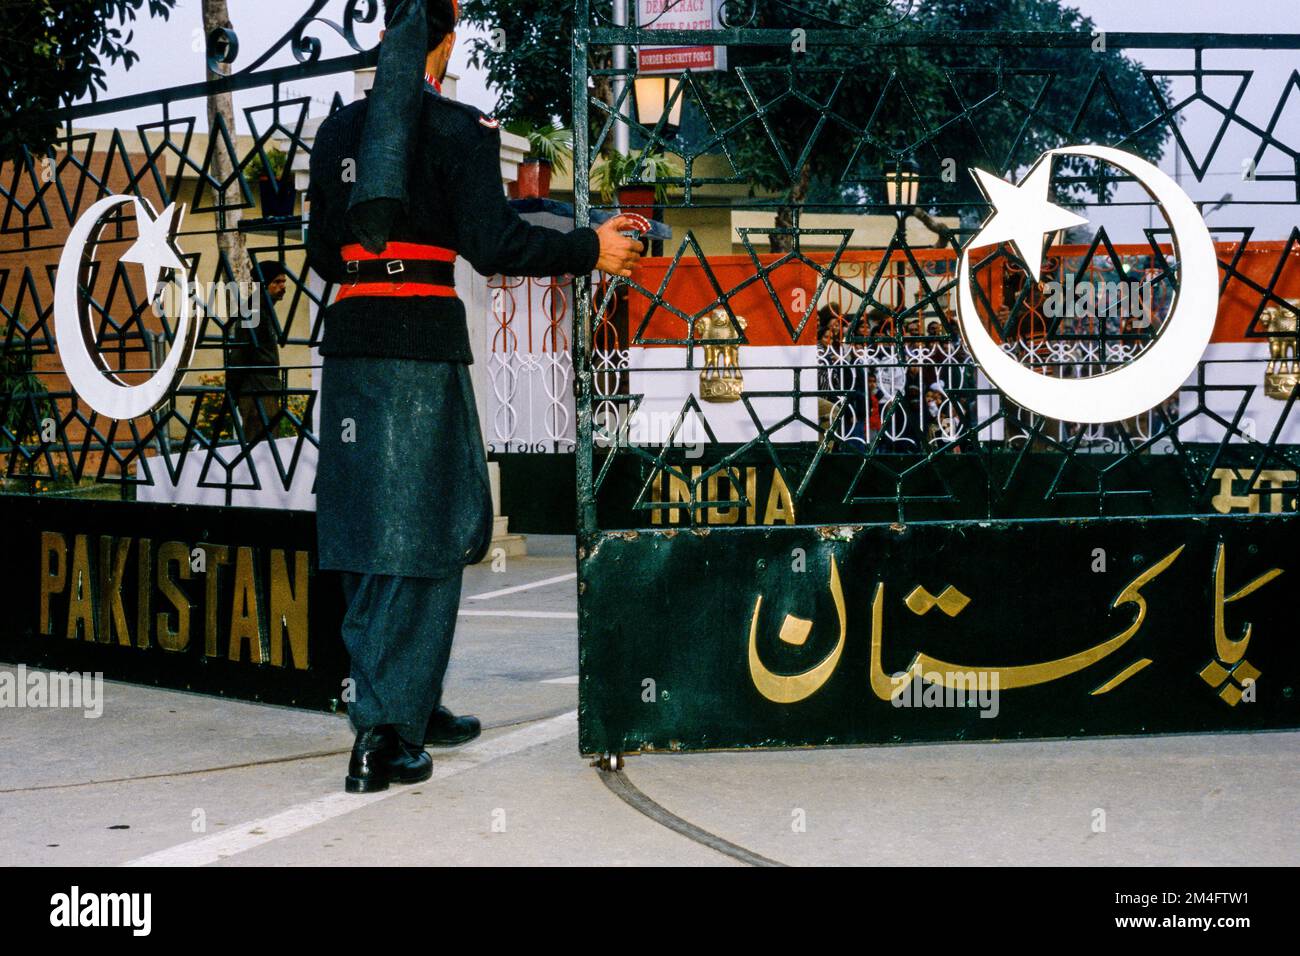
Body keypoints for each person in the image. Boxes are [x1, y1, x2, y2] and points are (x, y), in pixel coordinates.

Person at [305, 0, 643, 794]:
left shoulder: (335, 134)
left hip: (351, 347)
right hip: (421, 349)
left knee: (366, 532)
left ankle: (405, 705)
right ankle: (384, 737)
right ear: (446, 41)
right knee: (431, 530)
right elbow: (495, 246)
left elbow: (323, 253)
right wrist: (592, 246)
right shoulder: (460, 131)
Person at [225, 260, 287, 445]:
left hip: (261, 386)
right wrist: (232, 391)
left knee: (264, 446)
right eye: (277, 282)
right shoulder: (254, 310)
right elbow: (242, 352)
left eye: (284, 281)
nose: (283, 286)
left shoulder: (259, 309)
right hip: (257, 389)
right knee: (261, 446)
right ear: (264, 284)